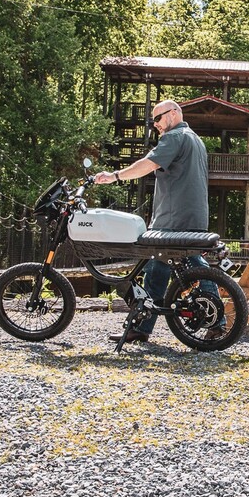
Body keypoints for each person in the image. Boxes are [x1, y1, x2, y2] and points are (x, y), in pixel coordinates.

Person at [93, 100, 216, 343]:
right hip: (192, 215)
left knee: (190, 266)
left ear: (174, 114)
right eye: (153, 121)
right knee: (157, 270)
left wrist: (115, 176)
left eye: (158, 118)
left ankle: (217, 322)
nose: (155, 125)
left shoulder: (174, 137)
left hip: (173, 218)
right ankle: (142, 327)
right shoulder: (195, 139)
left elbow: (148, 164)